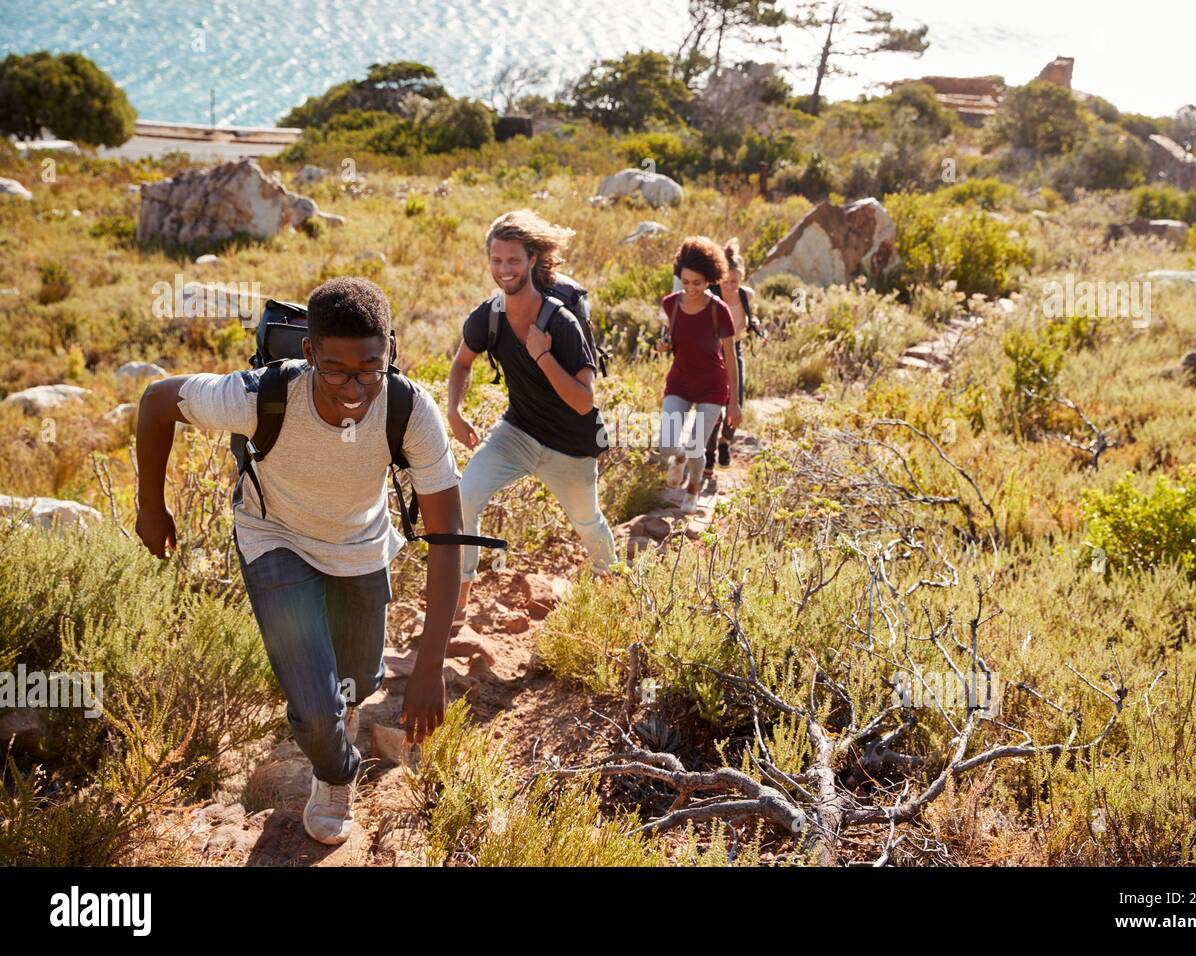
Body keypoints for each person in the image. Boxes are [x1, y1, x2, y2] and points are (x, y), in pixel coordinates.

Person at [134, 277, 465, 846]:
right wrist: (150, 505)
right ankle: (336, 774)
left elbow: (448, 535)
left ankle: (345, 710)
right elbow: (157, 401)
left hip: (360, 545)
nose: (354, 385)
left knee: (357, 683)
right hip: (276, 538)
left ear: (390, 348)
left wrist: (431, 660)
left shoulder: (410, 408)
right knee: (315, 710)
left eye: (370, 366)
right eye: (335, 368)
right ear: (308, 353)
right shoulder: (261, 395)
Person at [448, 210, 617, 629]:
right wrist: (453, 411)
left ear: (533, 261)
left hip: (570, 446)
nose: (504, 270)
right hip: (517, 432)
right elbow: (461, 364)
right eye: (497, 261)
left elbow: (583, 402)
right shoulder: (487, 317)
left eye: (514, 261)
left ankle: (613, 591)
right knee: (464, 498)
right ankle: (461, 596)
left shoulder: (560, 322)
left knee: (587, 523)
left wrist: (542, 355)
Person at [656, 236, 742, 513]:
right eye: (685, 282)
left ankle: (693, 489)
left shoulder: (720, 311)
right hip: (679, 381)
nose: (690, 288)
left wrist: (734, 402)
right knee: (667, 444)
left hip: (712, 387)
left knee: (697, 447)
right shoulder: (670, 304)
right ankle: (678, 459)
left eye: (697, 283)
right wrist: (664, 345)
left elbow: (730, 358)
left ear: (709, 280)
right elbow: (671, 339)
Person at [703, 238, 759, 477]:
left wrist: (753, 322)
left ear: (742, 277)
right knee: (714, 403)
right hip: (714, 352)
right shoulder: (709, 297)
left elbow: (747, 317)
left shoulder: (746, 296)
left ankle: (726, 441)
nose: (731, 286)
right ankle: (709, 455)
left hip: (735, 349)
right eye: (727, 282)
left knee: (737, 400)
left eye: (735, 281)